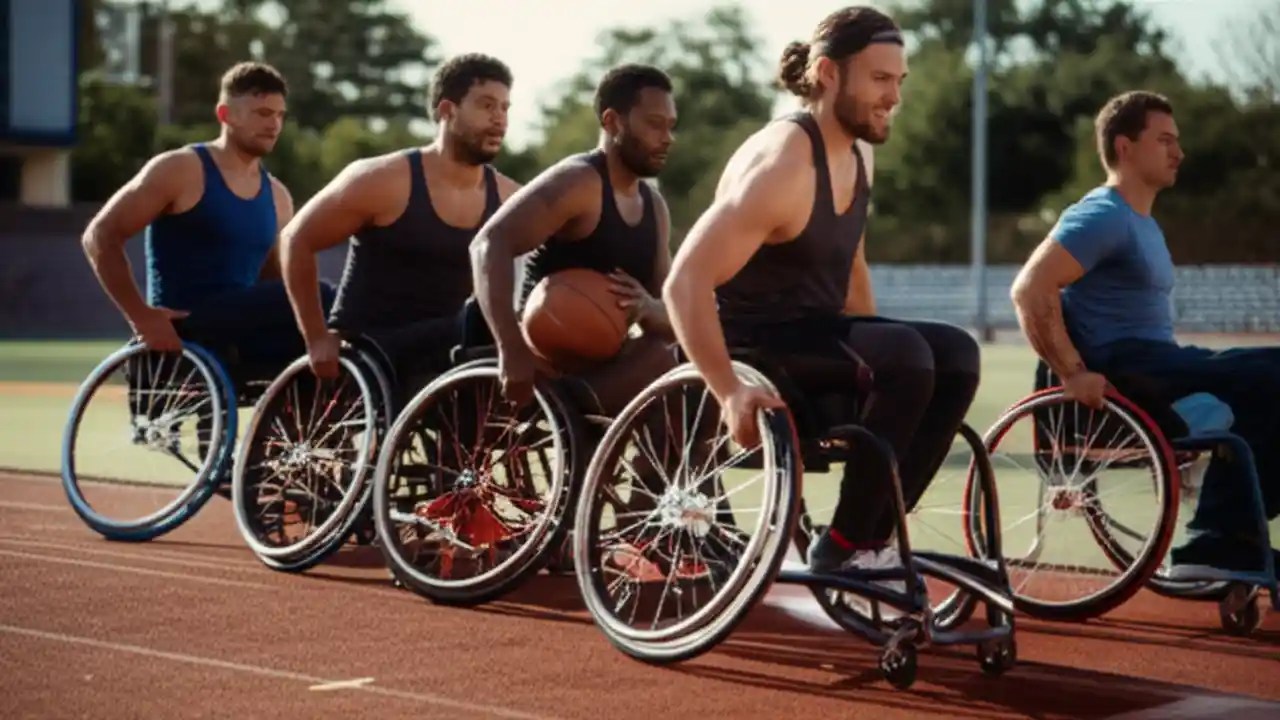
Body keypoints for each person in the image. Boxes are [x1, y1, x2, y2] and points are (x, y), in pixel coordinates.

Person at [661, 6, 981, 579]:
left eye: (899, 82)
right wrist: (728, 390)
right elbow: (685, 281)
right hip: (753, 346)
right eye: (880, 80)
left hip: (814, 338)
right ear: (829, 74)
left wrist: (890, 371)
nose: (894, 97)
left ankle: (870, 534)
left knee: (954, 354)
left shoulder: (859, 154)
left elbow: (852, 263)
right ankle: (845, 547)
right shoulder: (784, 161)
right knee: (908, 356)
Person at [1010, 90, 1278, 582]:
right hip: (1126, 368)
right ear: (1125, 147)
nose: (1179, 153)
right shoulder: (1104, 215)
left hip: (1157, 364)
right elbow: (1031, 288)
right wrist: (1072, 373)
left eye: (1177, 142)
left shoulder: (1143, 224)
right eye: (1165, 141)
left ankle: (1229, 537)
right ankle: (1217, 539)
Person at [282, 53, 521, 391]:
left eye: (505, 108)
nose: (499, 119)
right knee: (483, 326)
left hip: (455, 345)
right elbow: (296, 239)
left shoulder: (511, 198)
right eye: (486, 106)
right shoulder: (383, 180)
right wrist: (316, 337)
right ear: (446, 111)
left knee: (516, 325)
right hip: (373, 346)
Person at [82, 61, 330, 367]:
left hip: (242, 331)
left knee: (326, 309)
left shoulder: (278, 195)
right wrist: (141, 316)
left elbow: (275, 283)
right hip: (188, 325)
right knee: (322, 297)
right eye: (263, 113)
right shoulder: (181, 169)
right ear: (225, 115)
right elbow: (99, 235)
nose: (274, 125)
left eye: (280, 115)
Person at [470, 63, 678, 418]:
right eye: (655, 124)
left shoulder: (654, 206)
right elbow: (488, 245)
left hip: (603, 361)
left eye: (671, 127)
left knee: (683, 356)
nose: (667, 138)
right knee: (664, 358)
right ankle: (575, 418)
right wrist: (512, 348)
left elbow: (671, 313)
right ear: (613, 122)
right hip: (543, 355)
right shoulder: (578, 182)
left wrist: (646, 306)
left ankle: (659, 471)